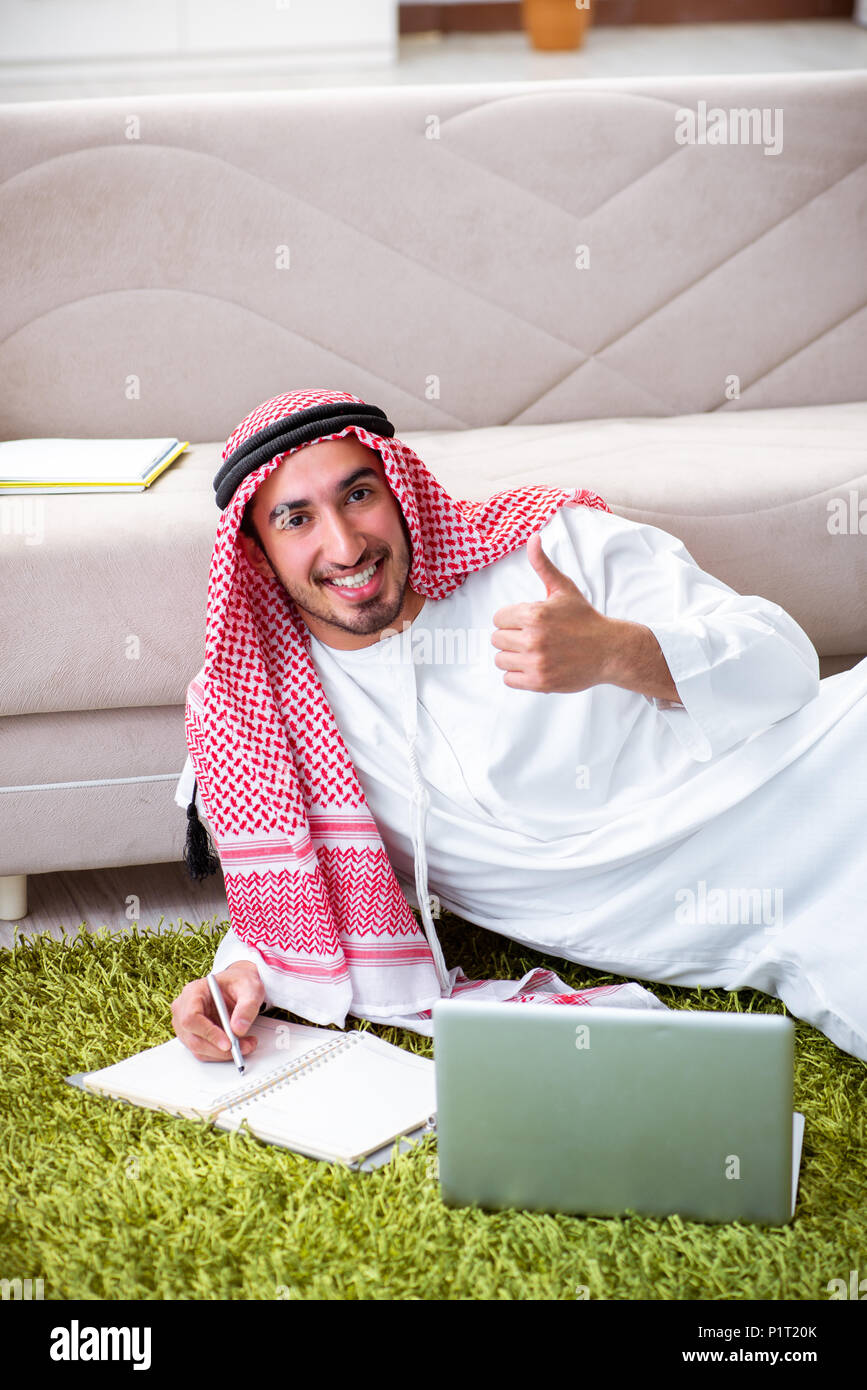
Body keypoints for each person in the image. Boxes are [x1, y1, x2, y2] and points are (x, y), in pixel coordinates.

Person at [171, 390, 867, 1068]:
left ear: (401, 492)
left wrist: (617, 652)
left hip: (814, 776)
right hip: (734, 915)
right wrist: (242, 970)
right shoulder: (256, 703)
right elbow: (296, 869)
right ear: (256, 553)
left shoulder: (554, 546)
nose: (345, 545)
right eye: (295, 519)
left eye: (359, 496)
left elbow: (786, 666)